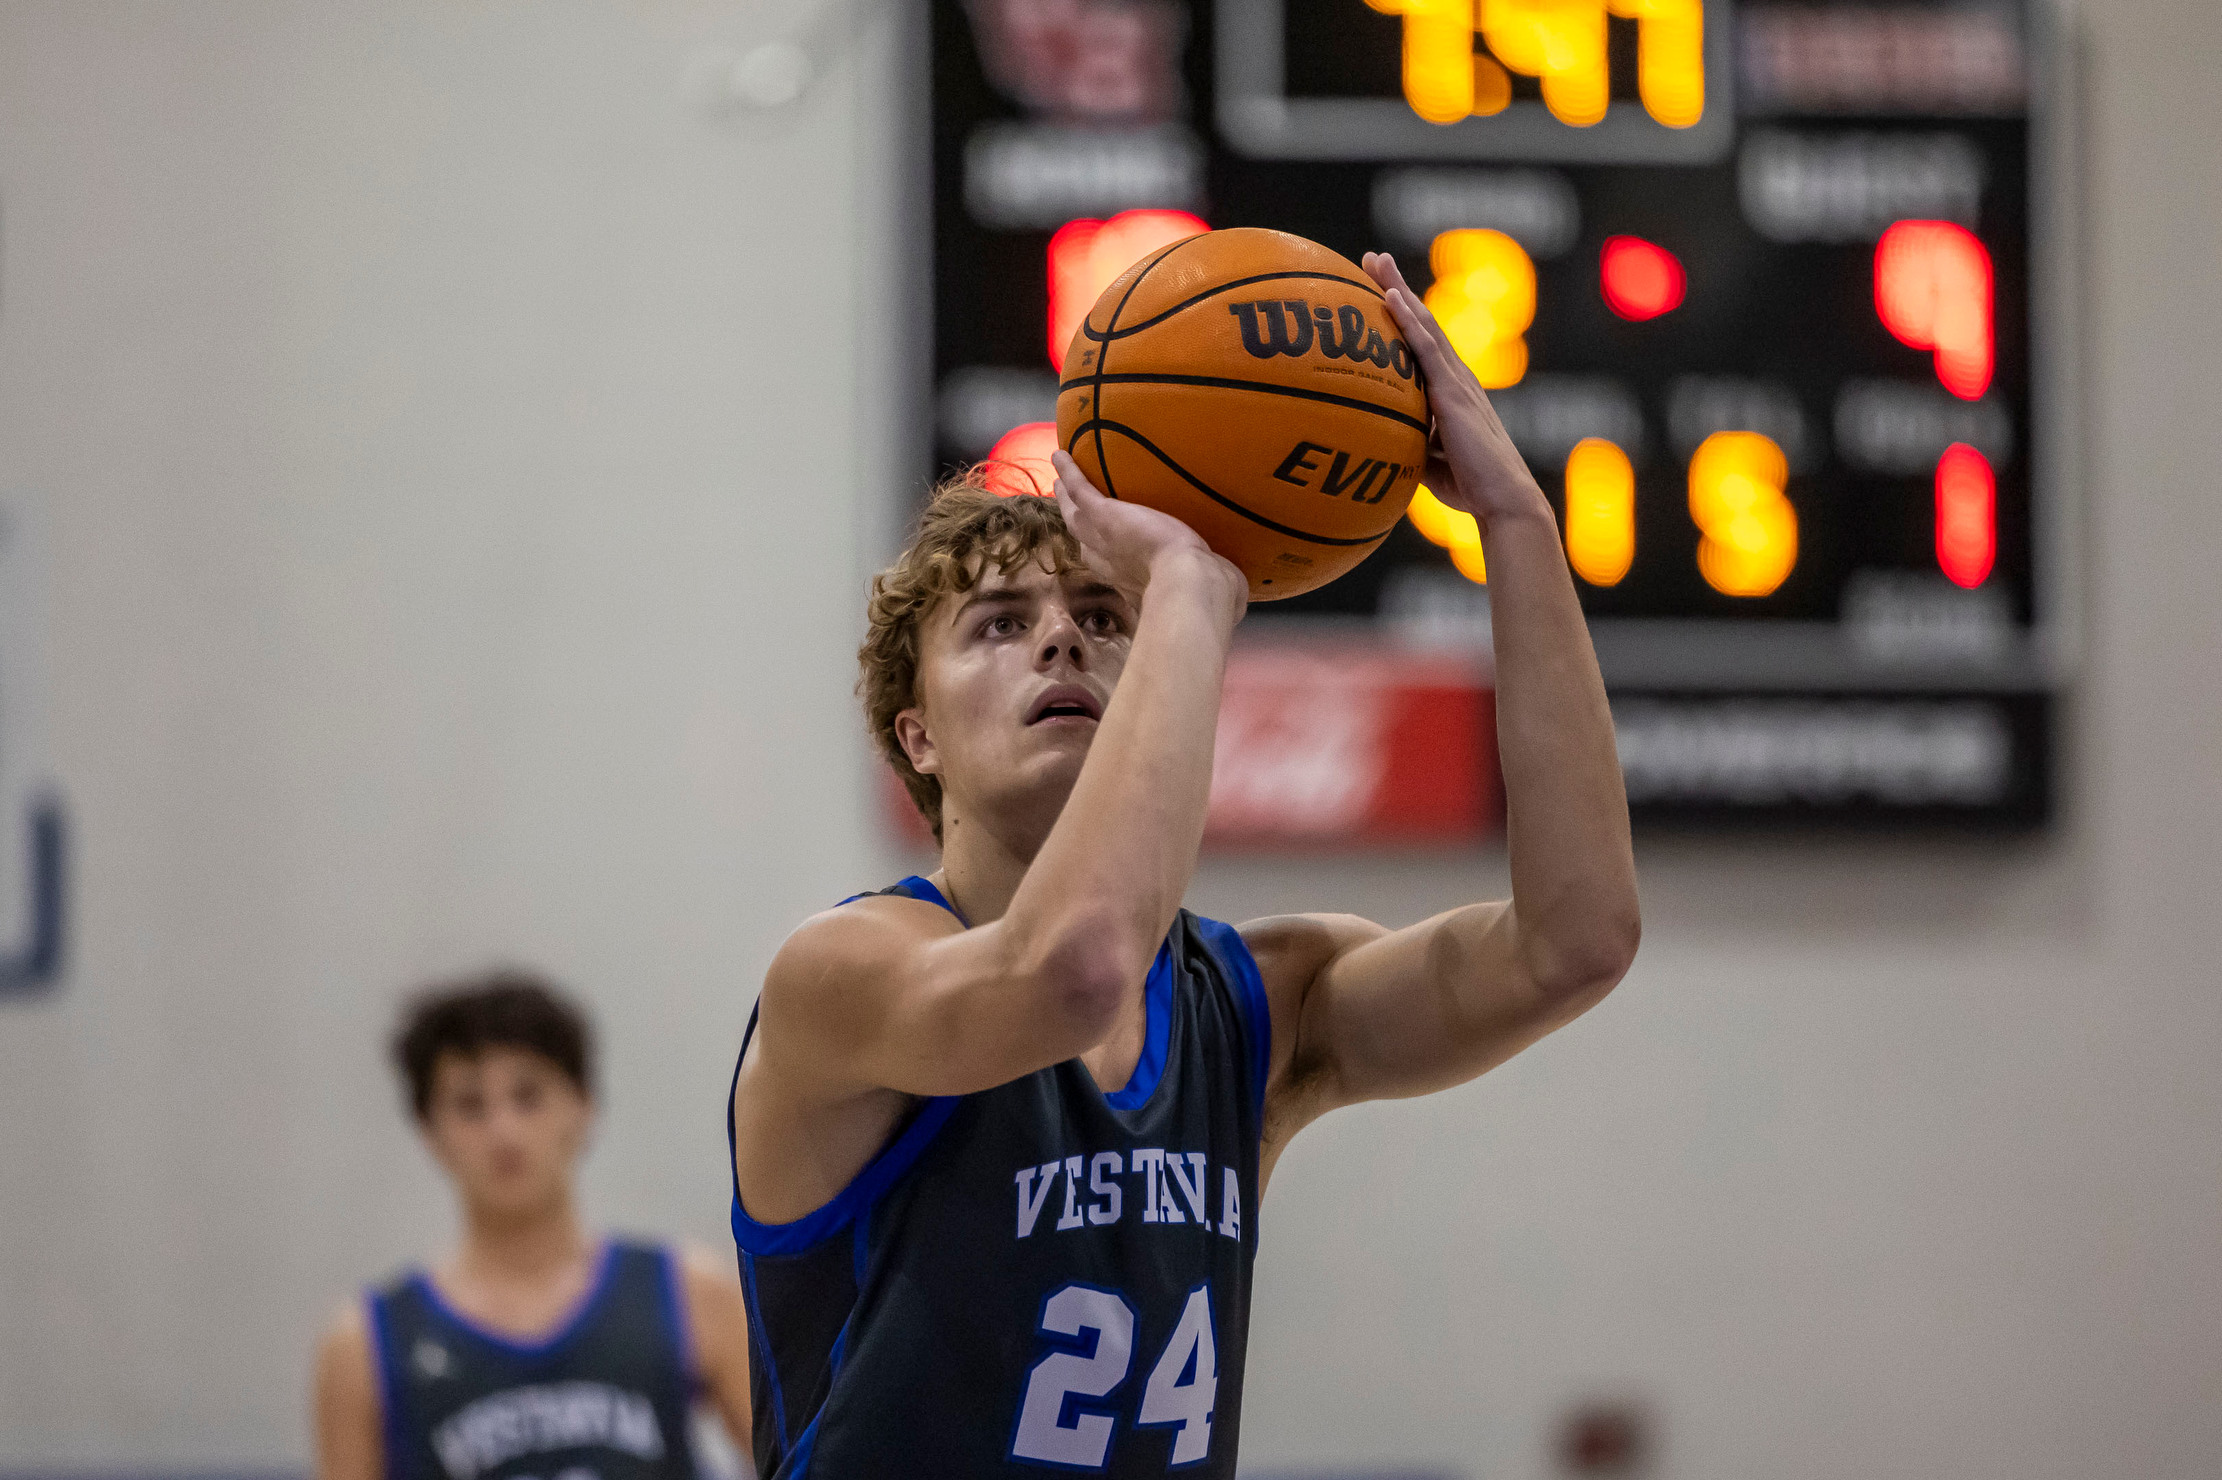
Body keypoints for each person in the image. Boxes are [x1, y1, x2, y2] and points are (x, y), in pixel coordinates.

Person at [726, 251, 1640, 1477]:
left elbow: (1574, 940)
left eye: (1102, 616)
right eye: (1000, 625)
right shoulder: (839, 972)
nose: (1061, 635)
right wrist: (1185, 595)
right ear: (918, 735)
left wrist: (1518, 523)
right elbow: (1072, 970)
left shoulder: (1256, 1000)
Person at [316, 972, 753, 1480]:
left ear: (583, 1107)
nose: (504, 1131)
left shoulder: (690, 1291)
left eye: (528, 1096)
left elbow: (794, 1462)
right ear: (430, 1132)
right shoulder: (364, 1344)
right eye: (469, 1105)